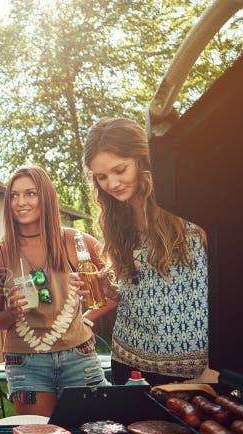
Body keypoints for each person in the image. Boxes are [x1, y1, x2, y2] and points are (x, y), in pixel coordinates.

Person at [84, 117, 211, 385]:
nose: (113, 183)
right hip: (131, 363)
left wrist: (218, 368)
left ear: (143, 160)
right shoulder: (114, 218)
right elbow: (138, 290)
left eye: (120, 170)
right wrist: (110, 291)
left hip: (196, 370)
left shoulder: (189, 205)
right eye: (102, 177)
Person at [0, 164, 111, 417]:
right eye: (14, 195)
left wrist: (88, 319)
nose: (21, 202)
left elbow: (116, 288)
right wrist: (12, 312)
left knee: (92, 433)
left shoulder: (78, 242)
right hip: (26, 363)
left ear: (46, 197)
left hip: (79, 356)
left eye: (30, 193)